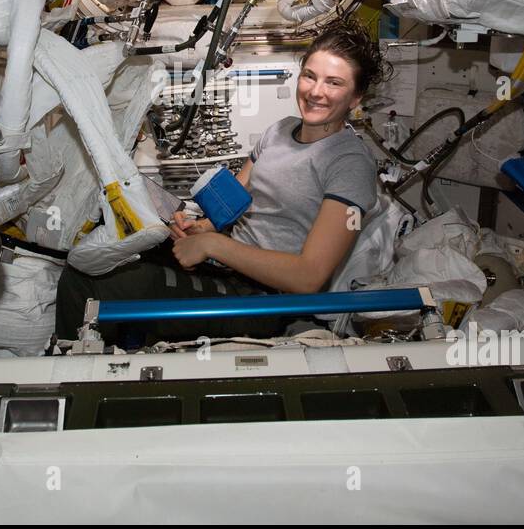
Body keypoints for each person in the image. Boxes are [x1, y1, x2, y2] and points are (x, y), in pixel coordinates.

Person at [53, 18, 389, 345]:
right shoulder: (280, 130)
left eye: (334, 83)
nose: (316, 91)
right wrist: (203, 227)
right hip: (225, 264)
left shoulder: (351, 163)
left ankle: (71, 375)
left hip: (262, 299)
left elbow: (309, 276)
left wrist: (215, 246)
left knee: (87, 282)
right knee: (101, 248)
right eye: (310, 76)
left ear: (356, 97)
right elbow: (233, 201)